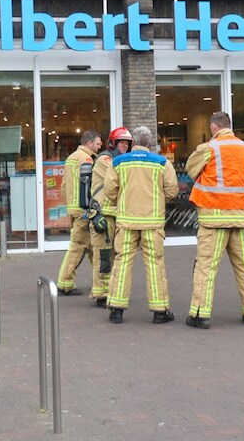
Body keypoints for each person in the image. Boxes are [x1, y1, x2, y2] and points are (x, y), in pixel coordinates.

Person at [184, 111, 244, 327]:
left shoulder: (209, 148)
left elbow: (190, 170)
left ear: (213, 127)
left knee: (206, 268)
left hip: (214, 218)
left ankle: (200, 314)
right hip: (241, 217)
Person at [103, 126, 179, 325]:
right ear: (150, 143)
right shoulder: (162, 162)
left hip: (126, 222)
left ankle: (116, 310)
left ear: (133, 143)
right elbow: (172, 190)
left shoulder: (118, 162)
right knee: (155, 265)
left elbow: (109, 191)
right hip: (153, 223)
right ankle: (159, 310)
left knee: (122, 263)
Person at [89, 127, 133, 307]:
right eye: (122, 142)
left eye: (127, 144)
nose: (124, 146)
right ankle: (101, 293)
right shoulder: (105, 160)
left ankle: (111, 290)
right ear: (113, 143)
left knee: (115, 254)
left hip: (115, 214)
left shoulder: (119, 160)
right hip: (102, 214)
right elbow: (120, 176)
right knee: (103, 254)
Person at [56, 130, 103, 296]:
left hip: (74, 209)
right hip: (84, 210)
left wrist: (70, 205)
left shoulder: (71, 158)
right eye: (97, 143)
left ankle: (101, 284)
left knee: (91, 247)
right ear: (89, 143)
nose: (99, 146)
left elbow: (64, 186)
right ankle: (65, 282)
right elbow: (90, 186)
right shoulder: (87, 159)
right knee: (78, 246)